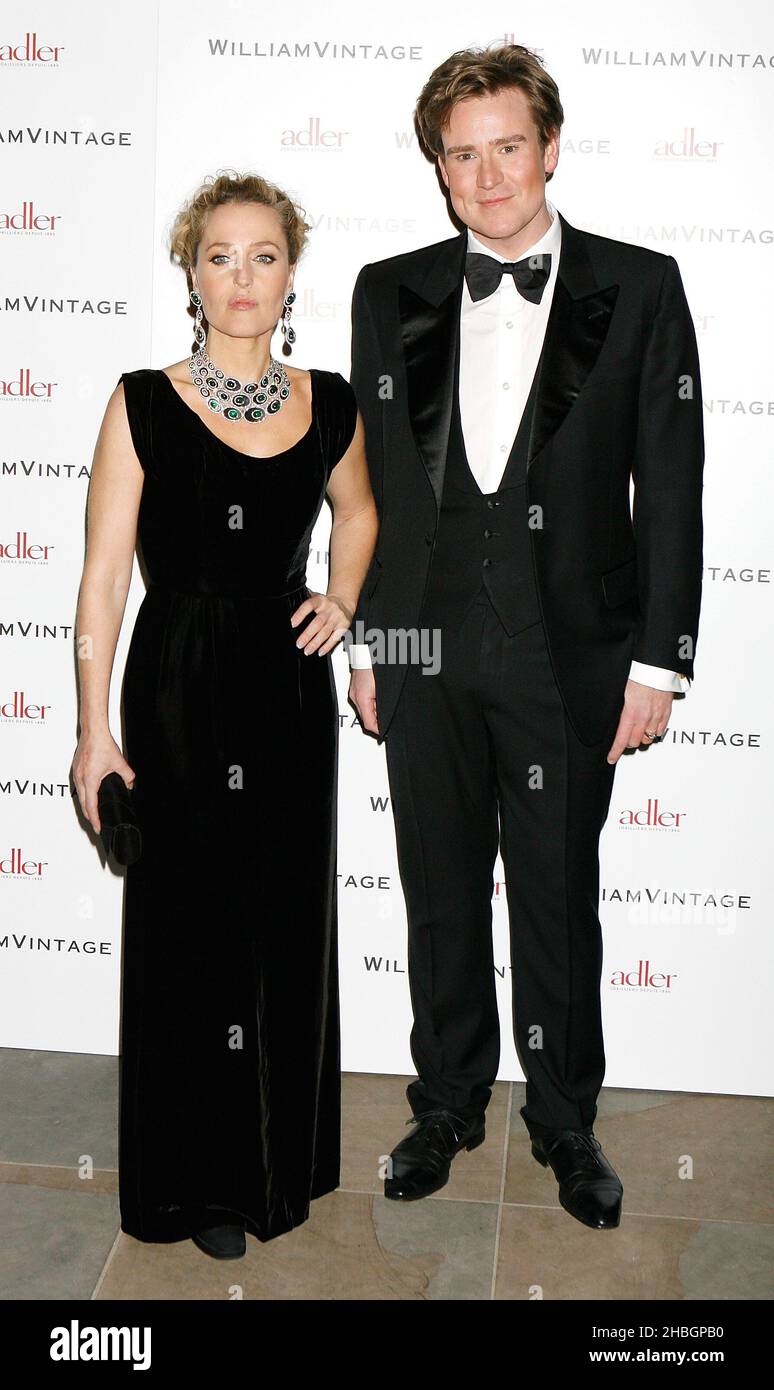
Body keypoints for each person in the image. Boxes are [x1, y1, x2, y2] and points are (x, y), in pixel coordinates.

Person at [346, 44, 704, 1230]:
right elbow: (374, 494)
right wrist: (371, 651)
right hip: (424, 651)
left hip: (573, 658)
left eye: (508, 145)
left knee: (556, 896)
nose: (487, 172)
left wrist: (660, 660)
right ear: (439, 169)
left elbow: (674, 482)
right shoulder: (383, 289)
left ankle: (564, 1119)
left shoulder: (639, 284)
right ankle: (446, 1100)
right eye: (462, 152)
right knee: (437, 889)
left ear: (550, 148)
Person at [71, 171, 378, 1260]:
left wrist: (342, 597)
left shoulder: (329, 401)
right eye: (218, 254)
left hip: (287, 693)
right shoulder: (142, 400)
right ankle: (198, 1180)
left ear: (290, 273)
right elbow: (106, 580)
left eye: (261, 255)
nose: (240, 276)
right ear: (190, 273)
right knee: (189, 930)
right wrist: (93, 731)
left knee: (283, 920)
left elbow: (360, 511)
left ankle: (279, 1155)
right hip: (178, 687)